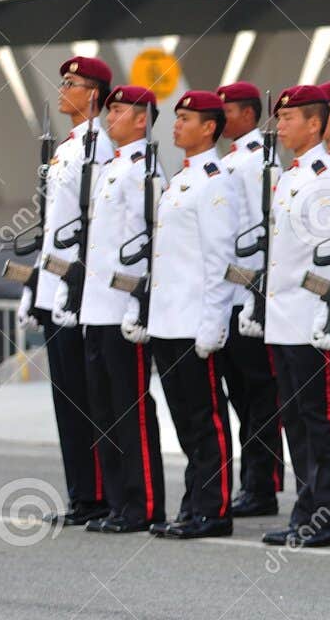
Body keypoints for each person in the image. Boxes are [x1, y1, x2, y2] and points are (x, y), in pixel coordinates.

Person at [126, 90, 244, 539]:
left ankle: (213, 510)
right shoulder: (182, 179)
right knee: (185, 420)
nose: (176, 125)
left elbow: (220, 261)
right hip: (168, 320)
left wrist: (214, 323)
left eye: (187, 119)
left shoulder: (215, 182)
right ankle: (194, 503)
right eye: (176, 118)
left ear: (209, 128)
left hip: (196, 321)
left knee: (206, 418)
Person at [254, 85, 330, 548]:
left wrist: (324, 311)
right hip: (283, 316)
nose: (280, 125)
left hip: (311, 318)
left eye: (290, 117)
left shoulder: (327, 177)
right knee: (295, 418)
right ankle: (307, 508)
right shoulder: (291, 174)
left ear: (315, 124)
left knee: (324, 421)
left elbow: (329, 258)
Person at [27, 56, 114, 526]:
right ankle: (82, 493)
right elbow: (53, 227)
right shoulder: (68, 145)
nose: (63, 89)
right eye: (63, 81)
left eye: (72, 83)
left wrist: (72, 284)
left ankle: (97, 493)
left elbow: (90, 226)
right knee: (66, 397)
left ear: (94, 94)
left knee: (85, 395)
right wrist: (36, 286)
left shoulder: (97, 146)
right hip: (55, 286)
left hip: (77, 290)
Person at [79, 84, 165, 534]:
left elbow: (150, 243)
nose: (110, 117)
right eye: (109, 110)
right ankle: (118, 502)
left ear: (142, 119)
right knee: (104, 408)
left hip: (123, 309)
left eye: (119, 111)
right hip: (96, 307)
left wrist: (139, 303)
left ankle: (144, 502)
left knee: (130, 407)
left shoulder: (143, 172)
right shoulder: (111, 169)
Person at [215, 80, 287, 518]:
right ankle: (256, 481)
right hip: (230, 294)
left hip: (248, 294)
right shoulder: (236, 159)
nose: (220, 119)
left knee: (257, 396)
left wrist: (249, 290)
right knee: (243, 395)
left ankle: (261, 484)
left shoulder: (257, 160)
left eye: (226, 111)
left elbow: (256, 233)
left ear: (246, 114)